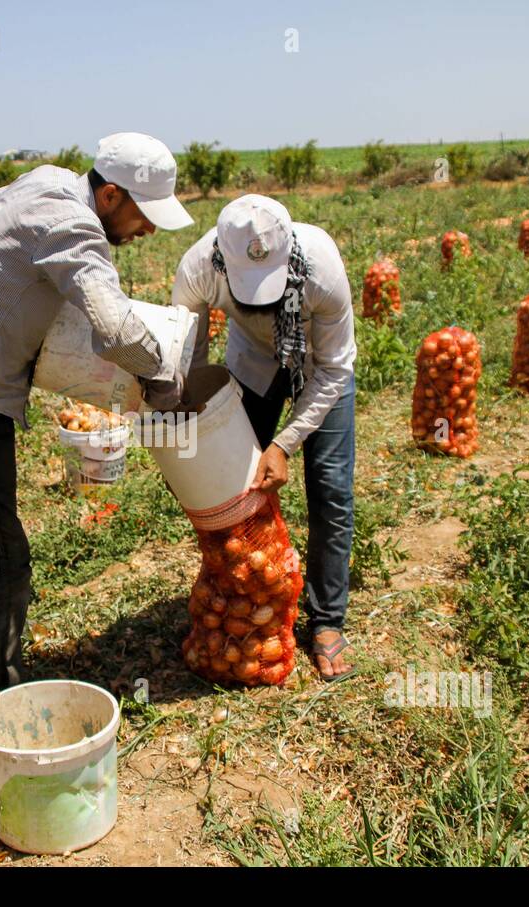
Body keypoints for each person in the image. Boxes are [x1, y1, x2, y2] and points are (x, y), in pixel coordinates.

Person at [0, 132, 193, 701]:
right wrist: (160, 375)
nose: (149, 230)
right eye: (144, 214)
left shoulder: (49, 181)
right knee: (2, 561)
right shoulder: (77, 224)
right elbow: (112, 328)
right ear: (109, 196)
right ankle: (0, 703)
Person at [172, 195, 358, 680]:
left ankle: (326, 619)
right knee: (236, 486)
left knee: (331, 489)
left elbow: (335, 369)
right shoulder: (198, 267)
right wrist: (187, 439)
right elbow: (187, 355)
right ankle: (240, 598)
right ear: (223, 259)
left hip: (320, 369)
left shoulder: (322, 269)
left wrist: (284, 443)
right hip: (253, 364)